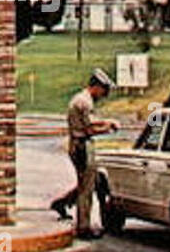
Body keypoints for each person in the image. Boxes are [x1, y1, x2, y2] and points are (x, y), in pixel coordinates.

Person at [51, 68, 120, 239]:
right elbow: (89, 129)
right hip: (81, 146)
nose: (104, 94)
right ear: (96, 86)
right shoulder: (84, 102)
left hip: (79, 144)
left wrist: (105, 122)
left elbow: (92, 122)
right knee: (86, 188)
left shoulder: (83, 99)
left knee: (89, 181)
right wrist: (108, 129)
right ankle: (83, 227)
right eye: (104, 90)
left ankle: (62, 203)